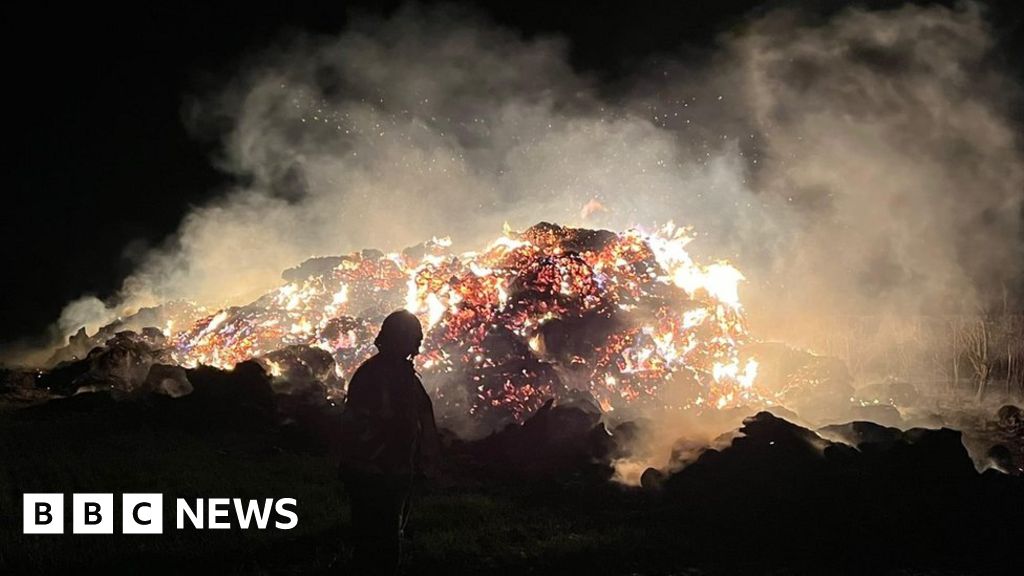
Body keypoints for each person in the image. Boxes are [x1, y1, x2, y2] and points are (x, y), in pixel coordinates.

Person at [338, 309, 441, 576]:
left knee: (382, 537)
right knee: (379, 542)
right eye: (413, 338)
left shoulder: (392, 373)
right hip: (377, 473)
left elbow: (418, 418)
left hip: (388, 472)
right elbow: (372, 425)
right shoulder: (381, 375)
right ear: (399, 338)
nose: (417, 344)